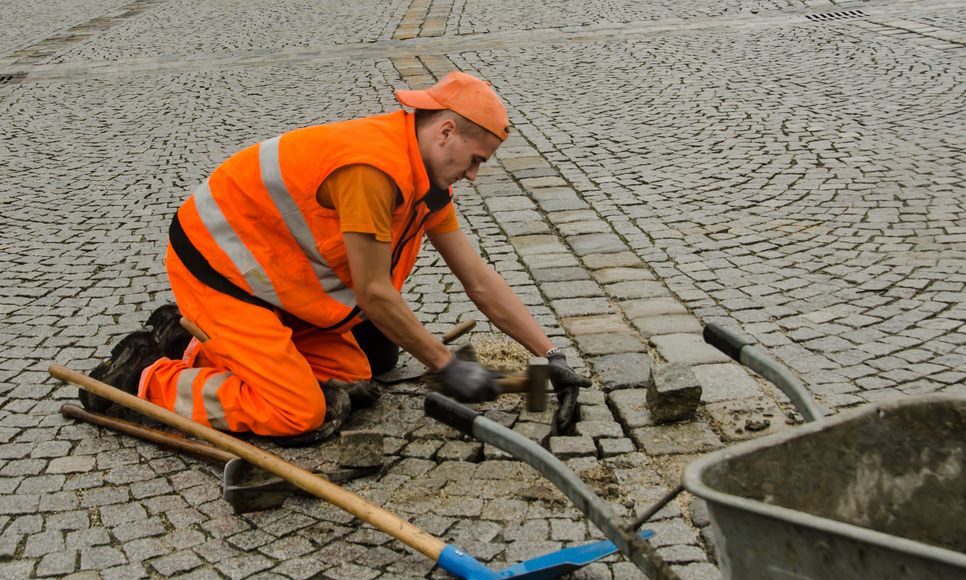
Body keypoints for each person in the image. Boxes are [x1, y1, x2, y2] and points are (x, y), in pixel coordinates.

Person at [81, 71, 590, 446]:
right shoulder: (374, 172)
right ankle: (144, 377)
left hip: (276, 287)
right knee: (297, 412)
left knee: (355, 372)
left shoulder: (425, 182)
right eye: (477, 160)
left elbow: (478, 280)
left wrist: (549, 356)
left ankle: (191, 340)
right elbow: (374, 293)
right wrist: (447, 366)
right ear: (446, 132)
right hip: (220, 273)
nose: (475, 174)